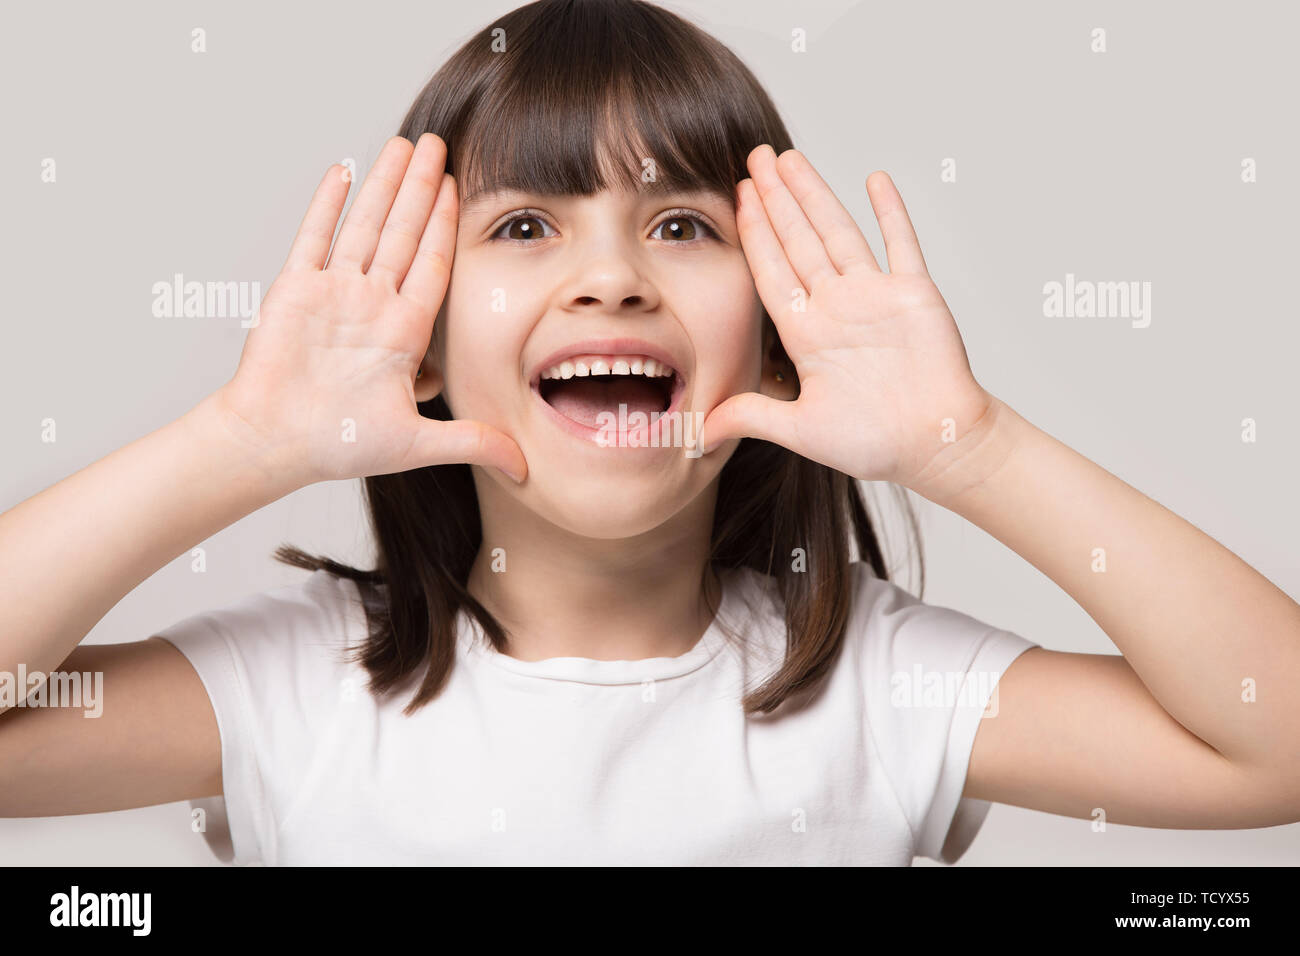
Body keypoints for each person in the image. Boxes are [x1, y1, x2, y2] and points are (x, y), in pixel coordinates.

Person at [2, 0, 1297, 865]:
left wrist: (972, 447)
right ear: (422, 343)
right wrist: (243, 441)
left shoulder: (884, 692)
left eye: (682, 227)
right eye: (524, 227)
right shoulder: (290, 688)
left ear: (778, 334)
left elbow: (1275, 743)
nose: (613, 279)